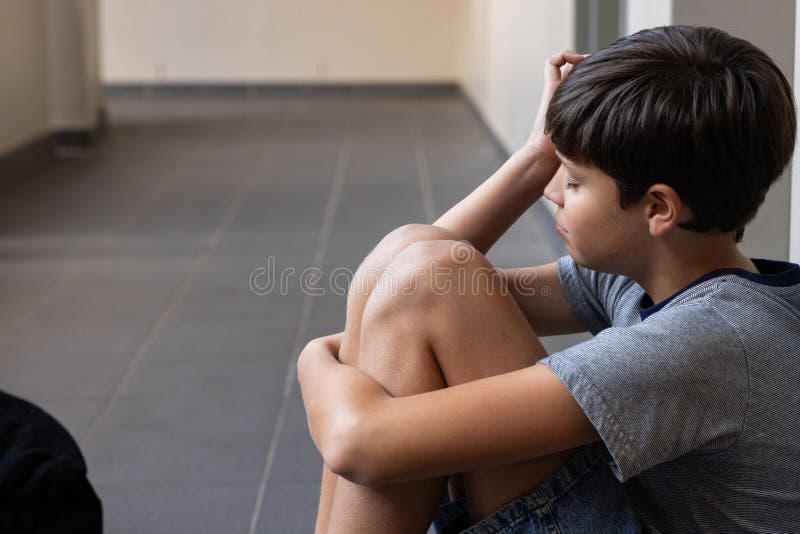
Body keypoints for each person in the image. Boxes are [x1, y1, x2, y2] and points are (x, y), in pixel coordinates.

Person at [297, 25, 800, 533]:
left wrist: (313, 357)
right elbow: (408, 278)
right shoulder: (664, 275)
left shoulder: (701, 345)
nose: (552, 191)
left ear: (658, 208)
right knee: (426, 268)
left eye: (574, 180)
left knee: (428, 285)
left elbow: (358, 443)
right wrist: (535, 158)